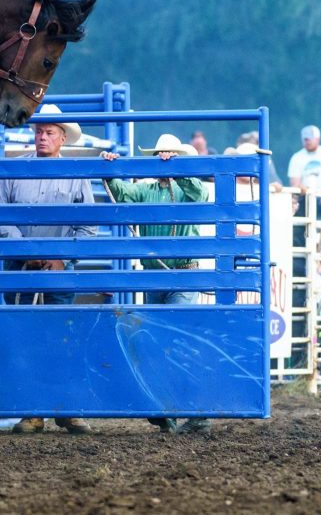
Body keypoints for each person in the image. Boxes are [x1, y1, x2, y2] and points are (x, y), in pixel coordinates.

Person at [0, 104, 96, 435]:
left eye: (49, 132)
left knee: (58, 337)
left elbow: (88, 226)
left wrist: (62, 257)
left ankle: (61, 409)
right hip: (22, 266)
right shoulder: (13, 170)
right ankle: (34, 410)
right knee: (26, 338)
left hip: (57, 269)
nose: (42, 137)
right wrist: (27, 250)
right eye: (38, 131)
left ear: (62, 139)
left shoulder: (77, 174)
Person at [100, 133, 211, 436]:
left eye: (170, 155)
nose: (164, 159)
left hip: (182, 275)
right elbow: (120, 191)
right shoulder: (145, 190)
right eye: (160, 155)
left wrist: (176, 169)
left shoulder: (189, 189)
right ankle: (170, 411)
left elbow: (199, 192)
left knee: (174, 340)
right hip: (155, 277)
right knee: (156, 342)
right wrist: (109, 169)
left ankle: (192, 411)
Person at [288, 125, 321, 203]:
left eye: (310, 139)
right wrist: (301, 189)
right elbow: (294, 182)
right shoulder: (296, 157)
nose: (307, 142)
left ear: (318, 139)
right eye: (305, 139)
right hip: (304, 196)